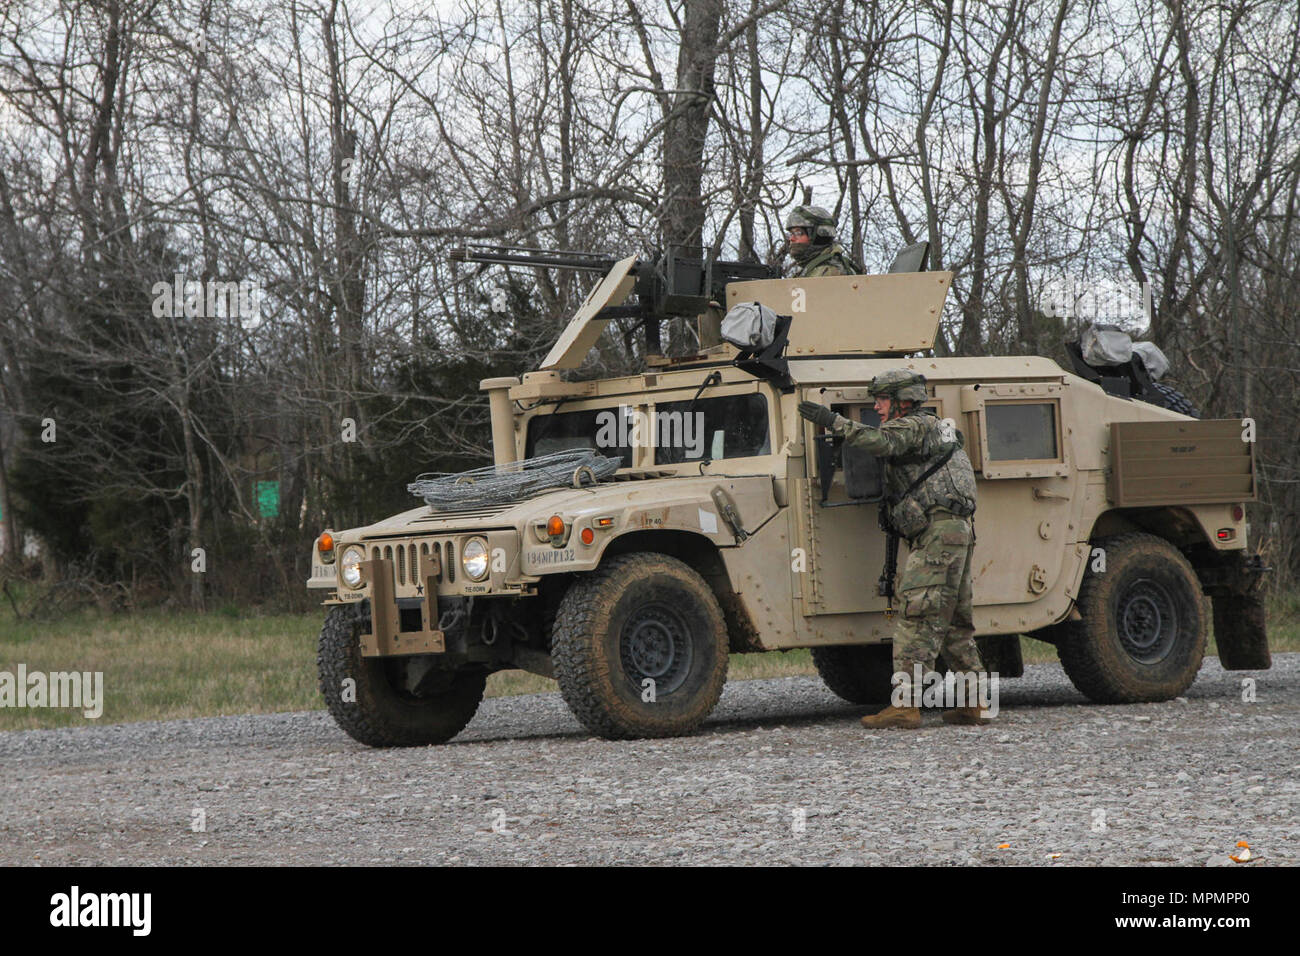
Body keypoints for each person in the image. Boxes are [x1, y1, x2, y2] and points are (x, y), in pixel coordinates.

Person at [797, 369, 990, 728]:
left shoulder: (914, 426)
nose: (877, 407)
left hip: (937, 534)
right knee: (953, 622)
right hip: (956, 532)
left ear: (903, 401)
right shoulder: (937, 427)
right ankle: (974, 702)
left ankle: (905, 706)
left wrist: (833, 422)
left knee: (916, 619)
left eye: (882, 401)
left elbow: (880, 442)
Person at [785, 205, 860, 277]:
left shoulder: (831, 271)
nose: (792, 239)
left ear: (818, 236)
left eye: (799, 233)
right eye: (791, 234)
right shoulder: (809, 269)